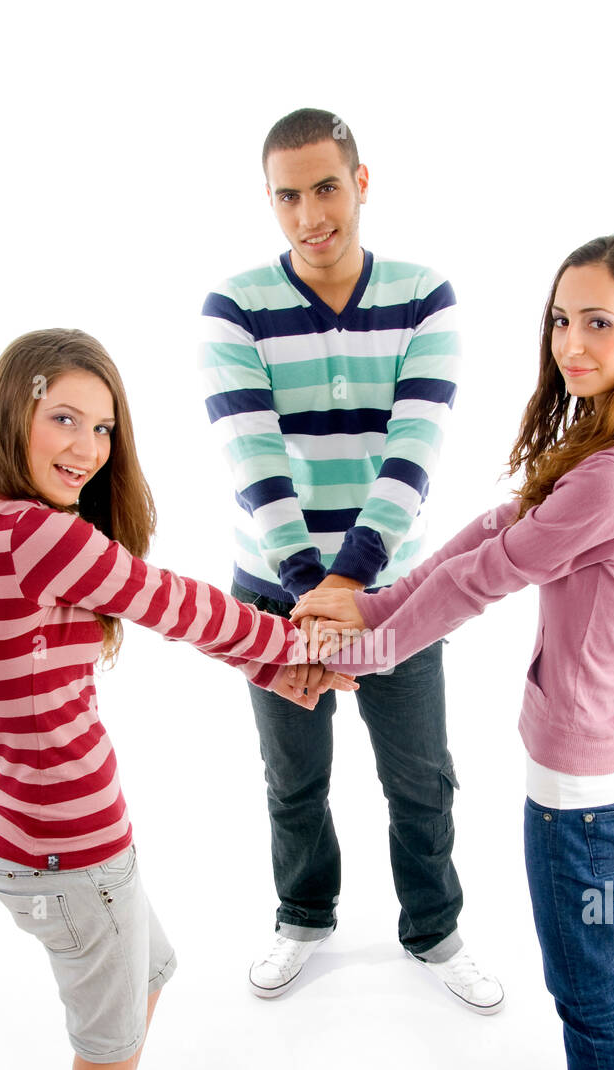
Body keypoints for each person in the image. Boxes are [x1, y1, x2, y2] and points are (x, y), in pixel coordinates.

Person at [293, 234, 614, 1070]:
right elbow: (493, 535)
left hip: (580, 791)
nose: (569, 343)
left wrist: (358, 654)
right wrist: (371, 607)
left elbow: (485, 579)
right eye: (560, 317)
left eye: (598, 322)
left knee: (586, 976)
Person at [0, 328, 355, 1070]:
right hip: (66, 846)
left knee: (146, 970)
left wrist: (275, 671)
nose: (86, 447)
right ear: (16, 412)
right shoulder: (37, 535)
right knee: (108, 1030)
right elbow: (170, 602)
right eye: (64, 419)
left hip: (30, 832)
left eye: (104, 428)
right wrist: (292, 648)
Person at [200, 107, 503, 1010]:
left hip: (396, 596)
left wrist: (354, 590)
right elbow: (253, 463)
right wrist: (311, 595)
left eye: (325, 188)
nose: (308, 215)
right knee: (294, 777)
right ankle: (303, 916)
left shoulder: (424, 295)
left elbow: (415, 451)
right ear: (269, 200)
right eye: (287, 196)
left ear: (360, 183)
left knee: (419, 775)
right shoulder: (234, 306)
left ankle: (435, 929)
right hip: (274, 592)